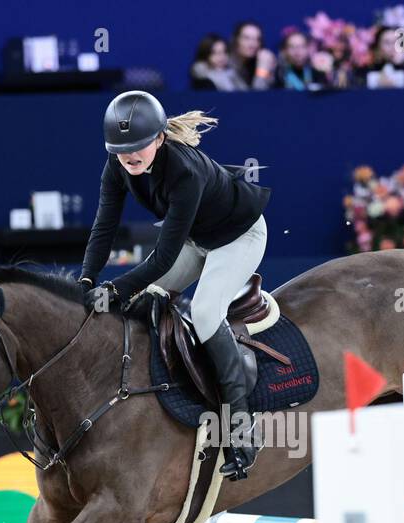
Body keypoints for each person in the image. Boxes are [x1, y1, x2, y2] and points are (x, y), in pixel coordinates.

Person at [79, 92, 271, 479]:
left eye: (137, 148)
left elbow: (162, 260)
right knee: (145, 299)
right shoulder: (116, 167)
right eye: (120, 150)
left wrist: (114, 290)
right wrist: (86, 279)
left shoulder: (184, 170)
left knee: (203, 312)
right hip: (196, 240)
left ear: (160, 139)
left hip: (239, 236)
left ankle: (240, 428)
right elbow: (104, 228)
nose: (129, 157)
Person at [230, 21, 276, 90]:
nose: (252, 44)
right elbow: (255, 96)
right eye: (246, 38)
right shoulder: (225, 65)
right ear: (236, 40)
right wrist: (262, 69)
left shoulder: (259, 62)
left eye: (257, 39)